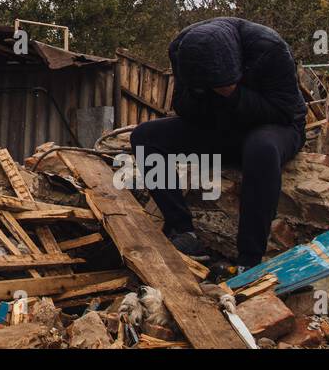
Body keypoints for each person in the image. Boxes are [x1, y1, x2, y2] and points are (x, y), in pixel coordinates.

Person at [129, 17, 306, 270]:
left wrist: (234, 95)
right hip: (220, 127)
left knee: (261, 149)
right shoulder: (181, 49)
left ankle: (249, 260)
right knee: (145, 137)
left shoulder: (269, 47)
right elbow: (182, 107)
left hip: (276, 127)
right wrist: (202, 95)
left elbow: (286, 113)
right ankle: (183, 231)